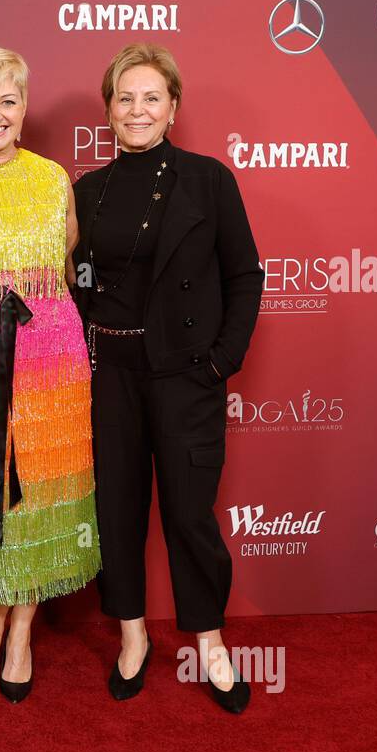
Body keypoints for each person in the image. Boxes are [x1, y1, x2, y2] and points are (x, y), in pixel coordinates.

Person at [71, 44, 262, 712]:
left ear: (173, 108)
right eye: (125, 98)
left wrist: (219, 362)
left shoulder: (208, 181)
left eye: (151, 97)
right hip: (112, 377)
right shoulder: (86, 191)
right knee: (117, 511)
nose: (137, 110)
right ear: (108, 110)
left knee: (188, 512)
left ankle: (209, 641)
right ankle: (132, 637)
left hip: (186, 375)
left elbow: (245, 276)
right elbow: (77, 286)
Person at [0, 48, 100, 704]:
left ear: (25, 107)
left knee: (43, 500)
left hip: (55, 361)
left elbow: (66, 257)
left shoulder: (53, 177)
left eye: (8, 100)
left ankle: (21, 630)